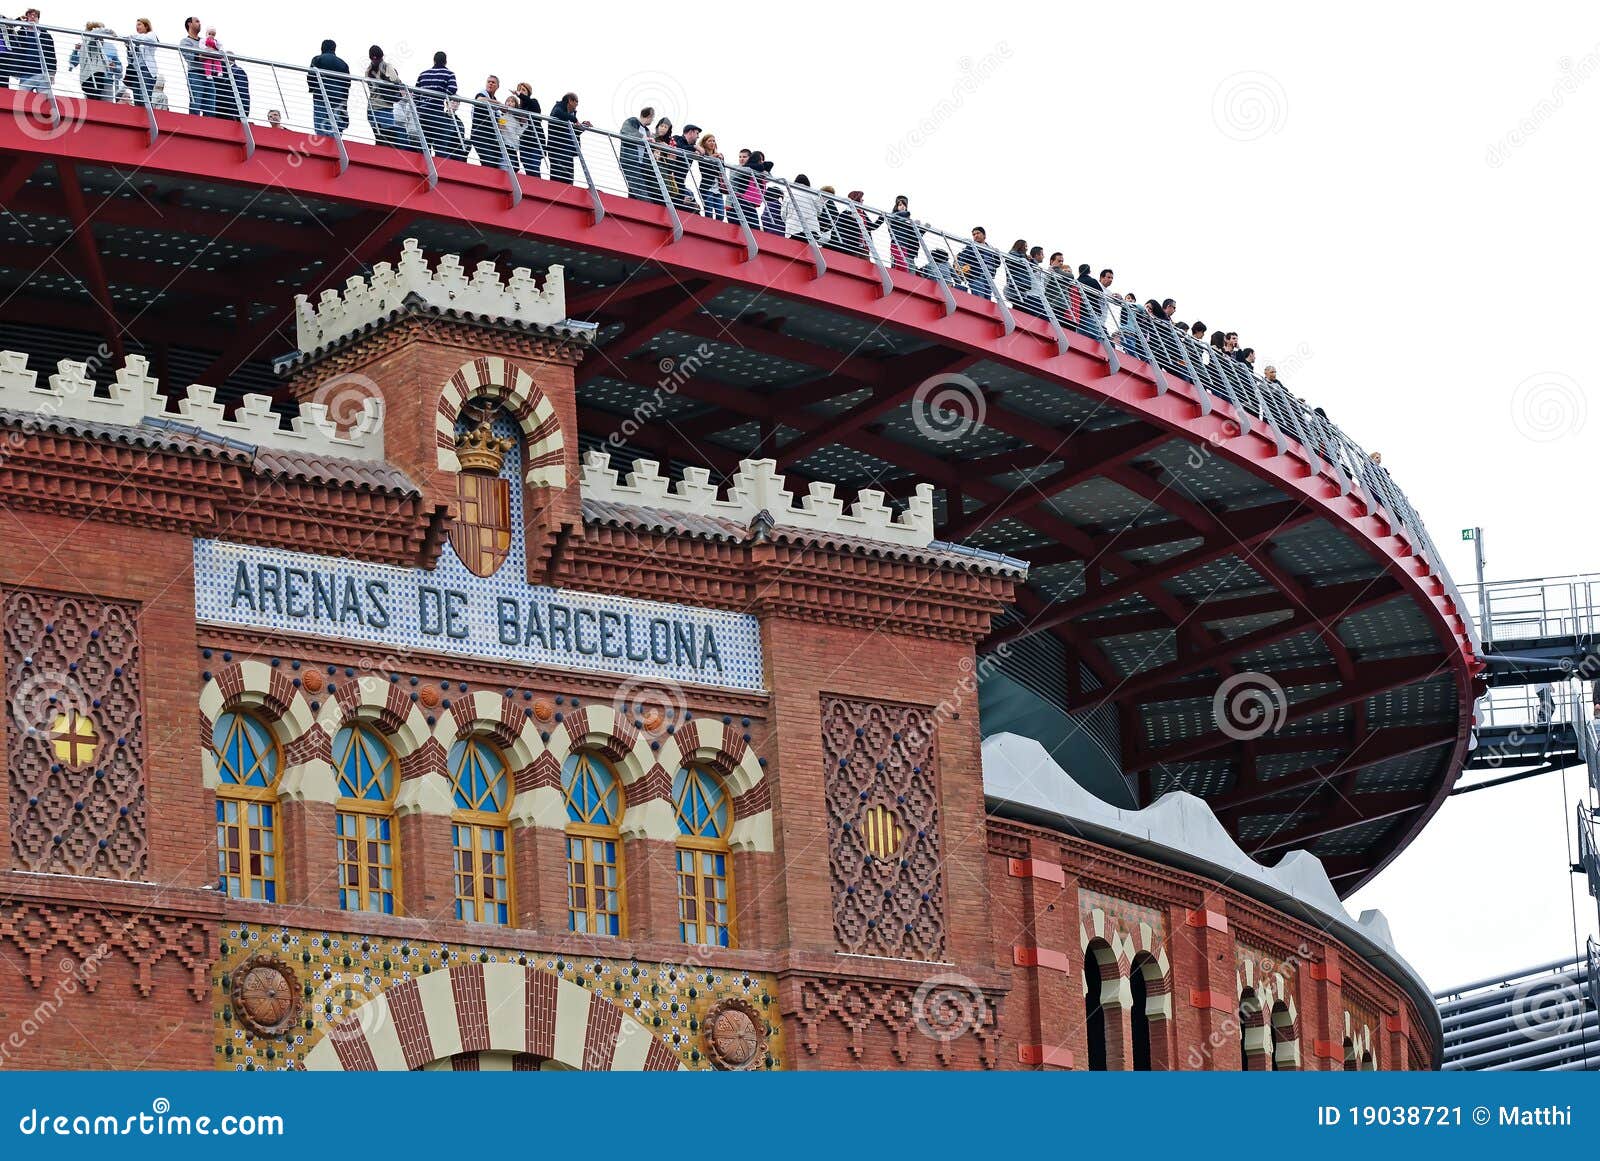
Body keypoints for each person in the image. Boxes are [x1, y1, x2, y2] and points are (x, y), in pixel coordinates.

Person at [414, 51, 458, 157]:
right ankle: (439, 165)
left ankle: (424, 164)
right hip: (437, 112)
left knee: (424, 145)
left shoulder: (423, 74)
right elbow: (452, 89)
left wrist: (420, 107)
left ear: (434, 60)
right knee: (441, 144)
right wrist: (440, 95)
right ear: (445, 61)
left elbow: (415, 95)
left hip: (423, 113)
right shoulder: (449, 74)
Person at [308, 38, 349, 135]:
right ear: (334, 49)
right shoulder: (343, 64)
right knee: (335, 128)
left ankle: (322, 143)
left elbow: (311, 77)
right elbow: (347, 84)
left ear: (322, 48)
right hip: (338, 98)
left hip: (320, 96)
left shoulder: (317, 59)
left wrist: (312, 88)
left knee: (320, 127)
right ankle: (335, 143)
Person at [69, 21, 119, 101]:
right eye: (101, 30)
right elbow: (74, 62)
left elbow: (118, 67)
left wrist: (113, 67)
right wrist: (110, 31)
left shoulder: (107, 47)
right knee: (95, 101)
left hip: (104, 80)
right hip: (92, 77)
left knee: (99, 103)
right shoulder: (88, 42)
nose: (103, 37)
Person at [364, 45, 402, 146]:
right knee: (390, 140)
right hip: (383, 107)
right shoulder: (387, 66)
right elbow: (396, 80)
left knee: (379, 140)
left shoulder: (368, 71)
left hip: (371, 108)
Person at [547, 91, 588, 184]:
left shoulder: (571, 114)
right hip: (557, 150)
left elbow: (572, 133)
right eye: (576, 101)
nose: (577, 104)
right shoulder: (559, 107)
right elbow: (558, 113)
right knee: (557, 179)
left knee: (569, 181)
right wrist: (575, 119)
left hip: (568, 152)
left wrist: (583, 126)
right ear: (570, 100)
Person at [14, 9, 55, 95]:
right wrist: (19, 20)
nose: (32, 17)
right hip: (25, 73)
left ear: (38, 19)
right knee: (23, 98)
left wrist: (52, 73)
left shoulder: (46, 35)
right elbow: (8, 27)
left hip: (42, 74)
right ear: (26, 18)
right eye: (30, 15)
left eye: (35, 16)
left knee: (44, 100)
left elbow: (51, 55)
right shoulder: (19, 33)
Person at [619, 105, 655, 200]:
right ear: (649, 115)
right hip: (630, 162)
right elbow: (624, 132)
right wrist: (643, 138)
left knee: (634, 193)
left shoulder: (647, 131)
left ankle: (631, 207)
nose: (652, 120)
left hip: (641, 164)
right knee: (641, 192)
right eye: (653, 117)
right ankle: (647, 207)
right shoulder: (632, 121)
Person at [470, 75, 506, 167]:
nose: (490, 83)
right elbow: (479, 100)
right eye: (488, 82)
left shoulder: (493, 100)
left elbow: (500, 119)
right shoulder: (482, 93)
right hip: (480, 135)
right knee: (489, 161)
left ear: (498, 86)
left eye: (493, 82)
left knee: (495, 162)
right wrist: (499, 104)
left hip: (491, 137)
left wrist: (504, 117)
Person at [956, 227, 1000, 300]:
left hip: (989, 277)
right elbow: (964, 258)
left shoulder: (990, 248)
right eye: (974, 234)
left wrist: (996, 254)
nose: (976, 235)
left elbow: (997, 264)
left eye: (978, 233)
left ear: (984, 235)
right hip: (977, 276)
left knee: (987, 299)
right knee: (979, 298)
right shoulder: (971, 245)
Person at [512, 82, 543, 177]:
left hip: (535, 142)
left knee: (534, 167)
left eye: (523, 90)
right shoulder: (519, 108)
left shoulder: (533, 102)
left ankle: (537, 185)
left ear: (528, 92)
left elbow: (535, 109)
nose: (521, 91)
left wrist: (519, 95)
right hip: (524, 142)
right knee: (527, 168)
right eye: (519, 89)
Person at [695, 131, 725, 220]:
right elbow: (703, 169)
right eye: (709, 141)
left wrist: (721, 161)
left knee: (720, 215)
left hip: (718, 189)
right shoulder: (702, 154)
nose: (712, 143)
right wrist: (712, 158)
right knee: (709, 214)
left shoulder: (719, 156)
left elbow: (722, 172)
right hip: (707, 188)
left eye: (713, 141)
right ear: (705, 143)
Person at [126, 17, 157, 103]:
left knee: (144, 97)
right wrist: (128, 48)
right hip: (136, 70)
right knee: (137, 98)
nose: (137, 27)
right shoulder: (135, 39)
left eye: (139, 24)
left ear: (146, 26)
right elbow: (131, 59)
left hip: (146, 69)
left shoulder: (151, 35)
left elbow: (149, 39)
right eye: (136, 25)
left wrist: (131, 37)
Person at [783, 173, 822, 240]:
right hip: (811, 228)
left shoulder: (789, 193)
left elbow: (783, 213)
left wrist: (787, 221)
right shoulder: (813, 194)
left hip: (793, 228)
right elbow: (819, 211)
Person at [887, 195, 920, 271]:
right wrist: (910, 220)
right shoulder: (894, 216)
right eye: (900, 204)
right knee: (903, 267)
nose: (903, 206)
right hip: (897, 245)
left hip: (907, 248)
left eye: (905, 205)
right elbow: (905, 214)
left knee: (906, 271)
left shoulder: (906, 221)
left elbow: (914, 236)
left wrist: (918, 228)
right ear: (896, 206)